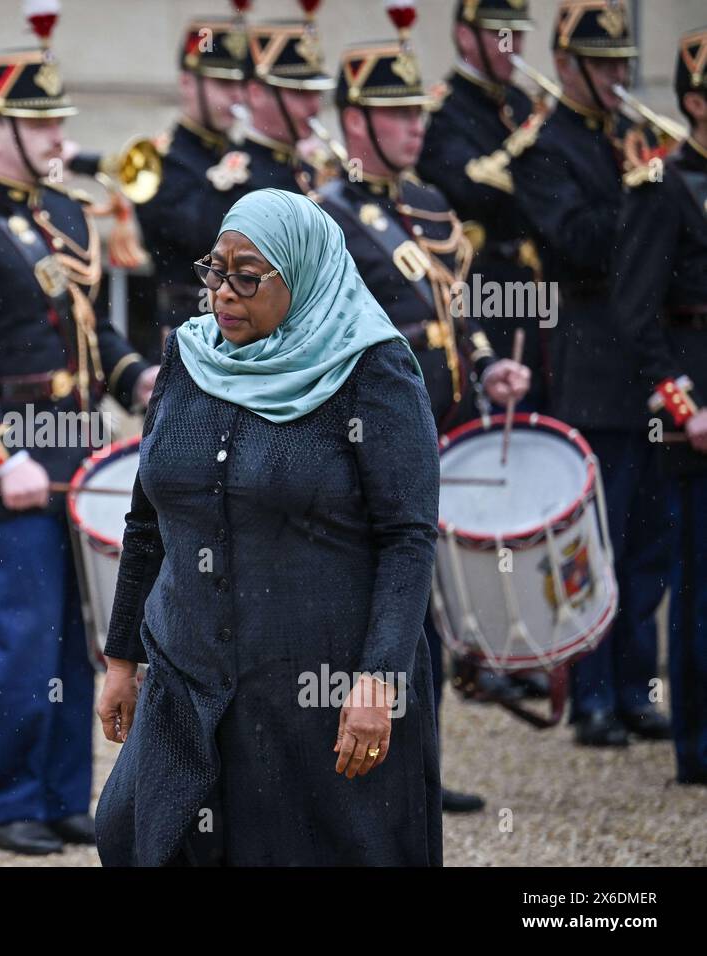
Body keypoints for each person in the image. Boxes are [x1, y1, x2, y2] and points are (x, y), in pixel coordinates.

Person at [95, 188, 442, 866]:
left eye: (248, 276)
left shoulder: (372, 367)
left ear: (304, 275)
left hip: (317, 681)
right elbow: (147, 523)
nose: (223, 293)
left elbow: (408, 536)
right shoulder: (189, 358)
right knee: (134, 833)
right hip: (188, 669)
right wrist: (119, 659)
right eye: (214, 271)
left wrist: (378, 682)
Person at [0, 15, 156, 855]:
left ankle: (60, 795)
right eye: (42, 123)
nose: (60, 136)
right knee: (18, 641)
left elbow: (91, 335)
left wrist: (137, 379)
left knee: (77, 640)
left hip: (77, 453)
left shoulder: (65, 214)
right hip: (10, 457)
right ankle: (11, 803)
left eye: (58, 120)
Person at [317, 10, 531, 813]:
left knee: (425, 618)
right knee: (376, 617)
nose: (416, 126)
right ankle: (364, 775)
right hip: (364, 445)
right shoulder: (329, 212)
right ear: (355, 120)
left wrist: (487, 366)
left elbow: (455, 309)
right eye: (398, 114)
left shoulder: (430, 200)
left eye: (417, 112)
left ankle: (416, 773)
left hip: (434, 433)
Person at [510, 0, 672, 748]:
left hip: (647, 358)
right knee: (594, 543)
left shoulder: (630, 138)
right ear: (567, 64)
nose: (615, 78)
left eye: (621, 65)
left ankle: (639, 687)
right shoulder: (545, 145)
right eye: (602, 65)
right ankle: (594, 696)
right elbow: (573, 242)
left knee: (649, 537)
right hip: (594, 355)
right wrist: (646, 204)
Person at [610, 25, 707, 784]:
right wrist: (684, 408)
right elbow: (635, 314)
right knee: (697, 585)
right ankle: (698, 746)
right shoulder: (658, 186)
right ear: (696, 101)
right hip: (695, 408)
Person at [417, 0, 549, 410]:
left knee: (540, 409)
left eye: (517, 35)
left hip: (531, 285)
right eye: (499, 35)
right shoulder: (445, 111)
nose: (513, 47)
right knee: (493, 408)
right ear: (464, 36)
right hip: (480, 287)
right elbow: (474, 189)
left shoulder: (522, 106)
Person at [133, 8, 252, 360]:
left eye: (240, 84)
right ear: (188, 83)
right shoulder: (160, 162)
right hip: (190, 327)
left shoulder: (242, 153)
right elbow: (202, 235)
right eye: (222, 84)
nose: (236, 97)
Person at [241, 8, 334, 193]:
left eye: (316, 93)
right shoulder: (240, 181)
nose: (315, 106)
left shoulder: (313, 171)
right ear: (256, 94)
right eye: (300, 93)